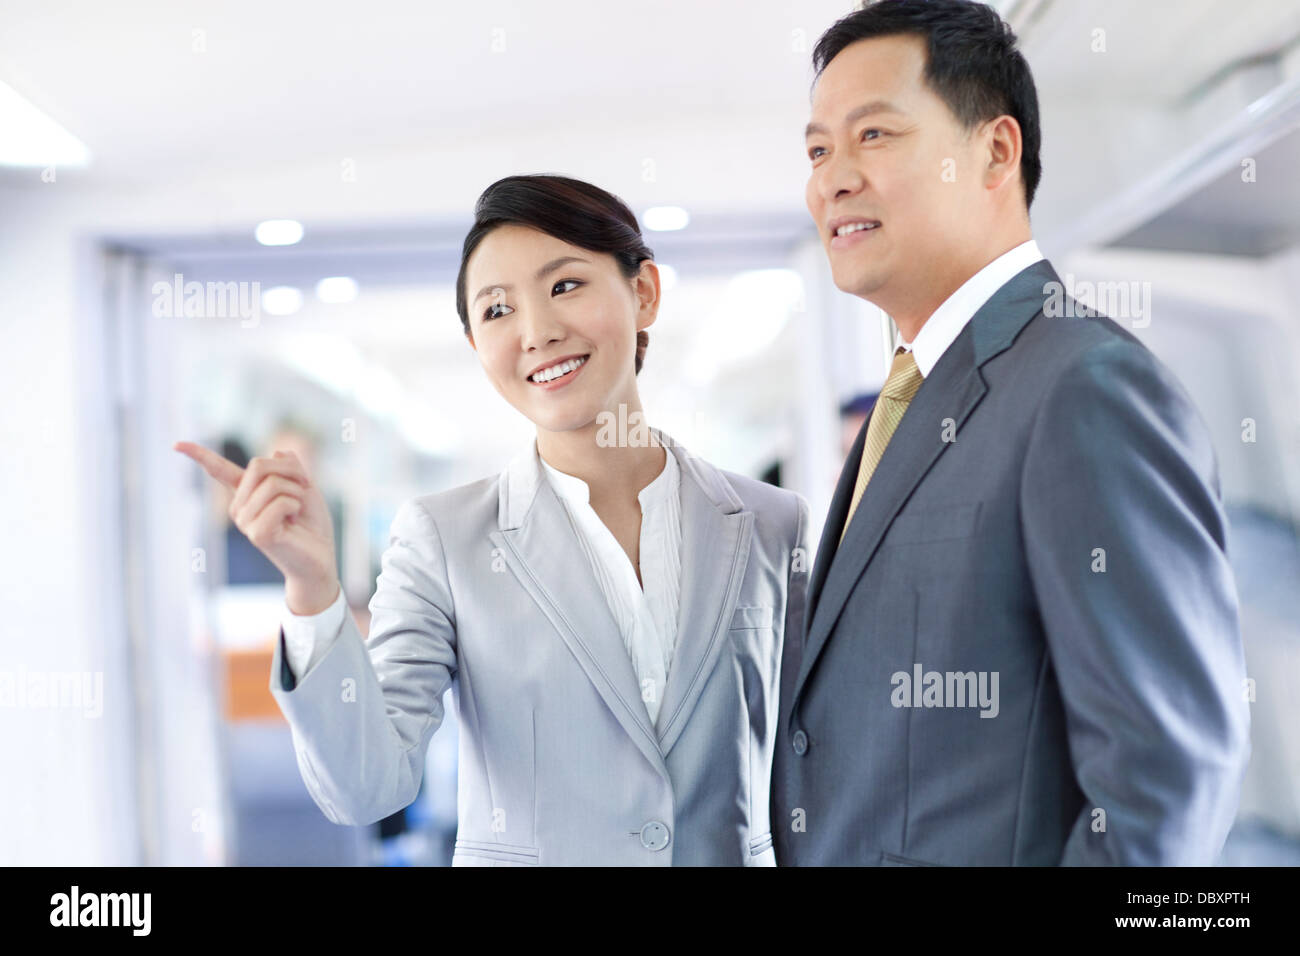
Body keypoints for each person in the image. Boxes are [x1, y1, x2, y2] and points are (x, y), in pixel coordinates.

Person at [177, 173, 809, 866]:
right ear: (478, 345)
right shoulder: (444, 540)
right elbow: (367, 787)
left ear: (644, 292)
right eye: (497, 310)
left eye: (565, 285)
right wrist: (311, 589)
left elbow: (809, 770)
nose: (537, 332)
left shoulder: (773, 525)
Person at [772, 0, 1250, 865]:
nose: (832, 178)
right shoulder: (909, 399)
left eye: (874, 135)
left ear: (995, 152)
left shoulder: (1084, 387)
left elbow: (1168, 788)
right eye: (817, 150)